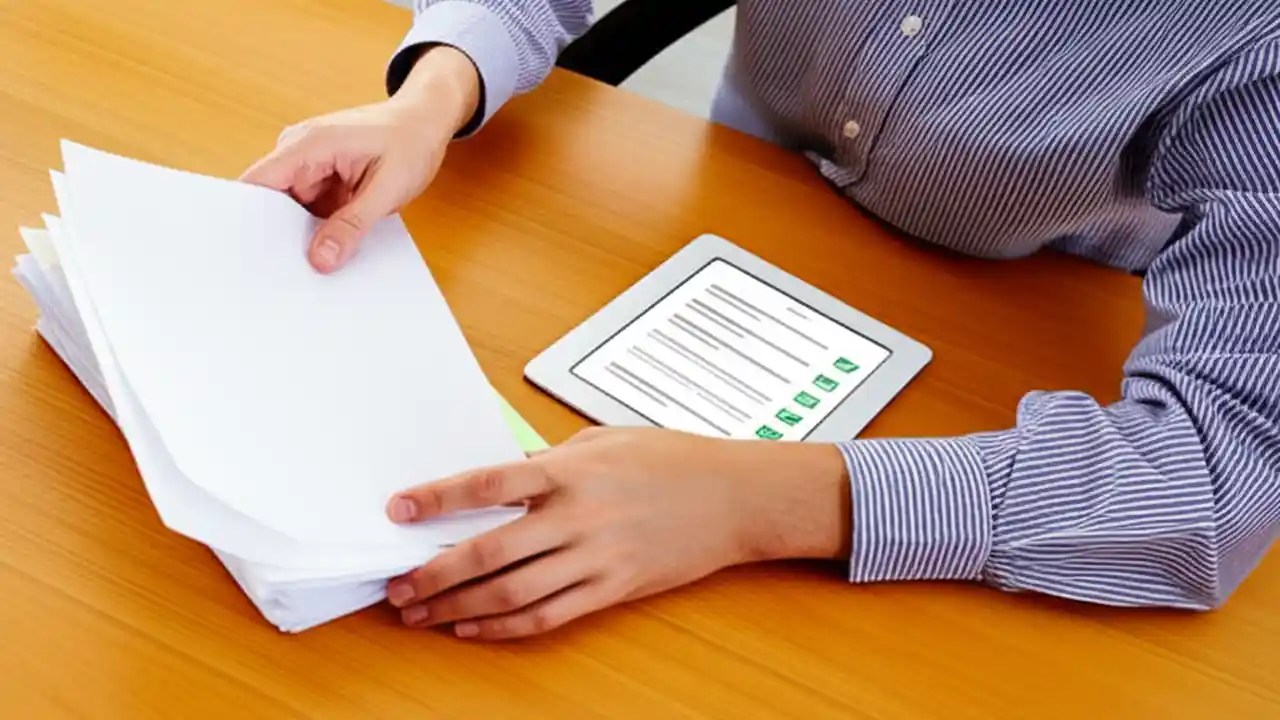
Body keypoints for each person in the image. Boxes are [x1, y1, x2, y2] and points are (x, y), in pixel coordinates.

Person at [241, 1, 1280, 640]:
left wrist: (756, 508)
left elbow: (1215, 476)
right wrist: (434, 94)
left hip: (1004, 338)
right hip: (709, 236)